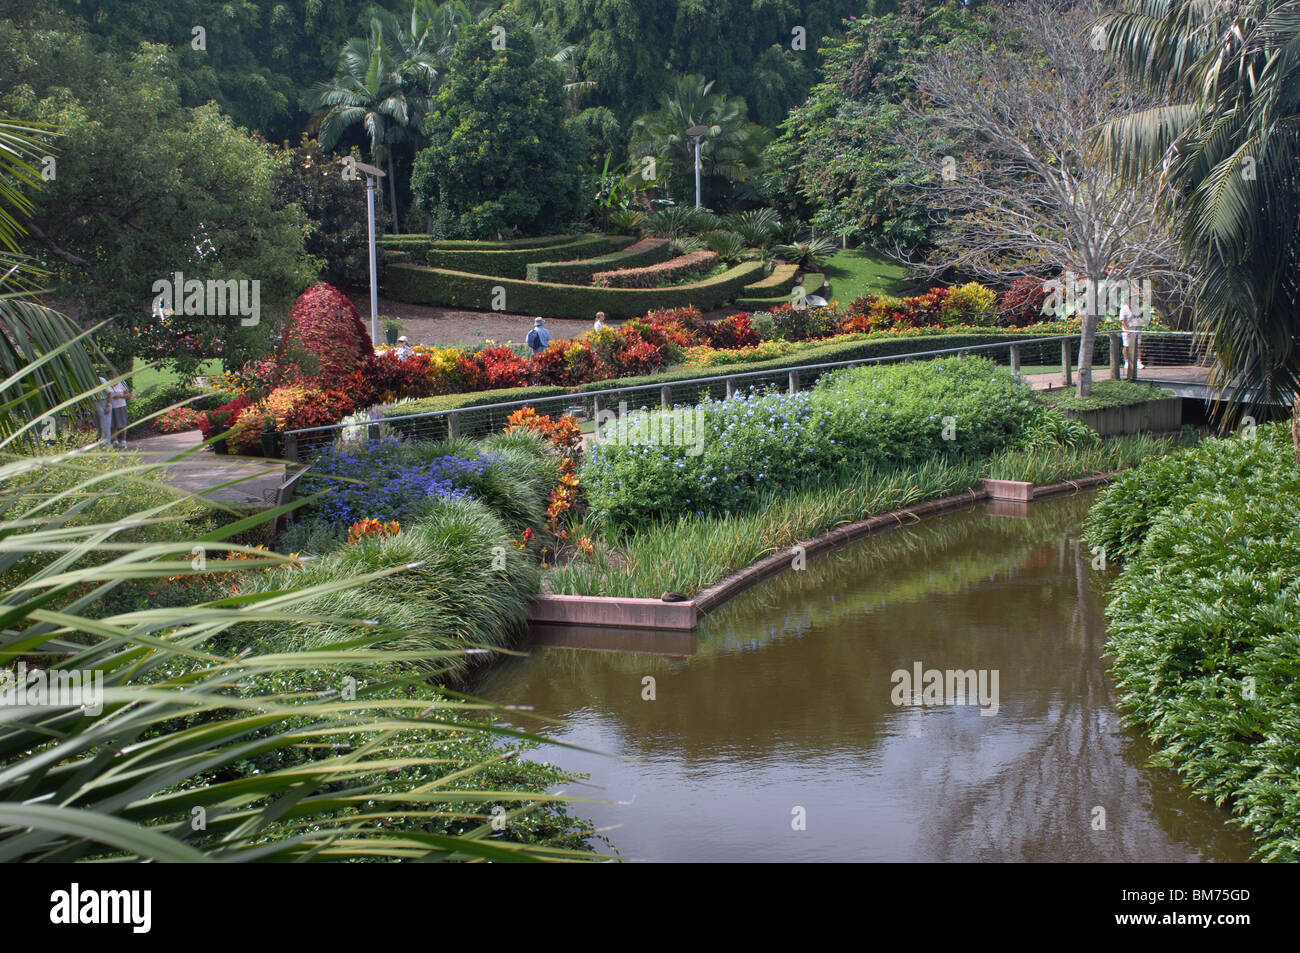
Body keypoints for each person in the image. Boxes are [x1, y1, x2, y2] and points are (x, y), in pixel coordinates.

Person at [1119, 290, 1145, 375]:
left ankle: (1138, 362)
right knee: (1126, 346)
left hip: (1136, 330)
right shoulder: (1124, 309)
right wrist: (1127, 330)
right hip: (1127, 331)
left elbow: (1140, 318)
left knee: (1138, 346)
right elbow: (1123, 321)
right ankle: (1126, 362)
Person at [107, 372, 131, 449]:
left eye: (113, 375)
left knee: (123, 424)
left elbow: (128, 395)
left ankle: (123, 441)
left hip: (121, 406)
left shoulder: (122, 383)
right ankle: (115, 441)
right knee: (113, 425)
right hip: (112, 407)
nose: (112, 376)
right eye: (110, 375)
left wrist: (120, 395)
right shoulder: (107, 384)